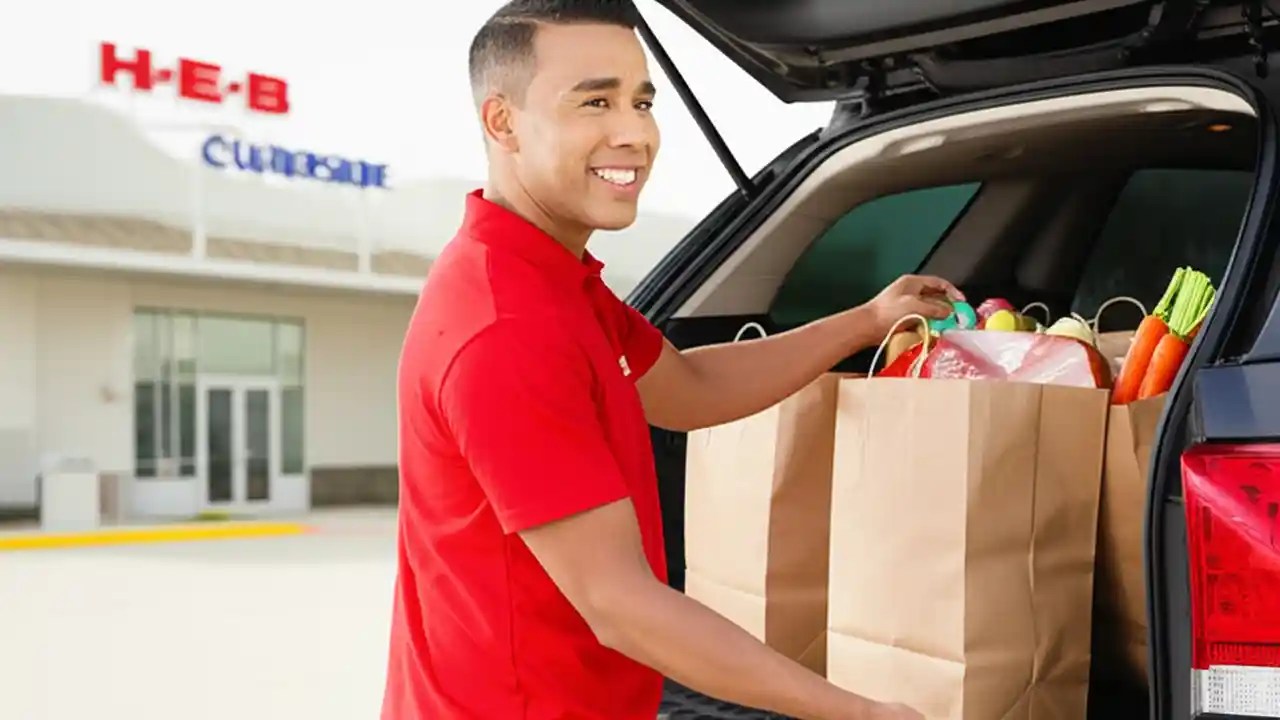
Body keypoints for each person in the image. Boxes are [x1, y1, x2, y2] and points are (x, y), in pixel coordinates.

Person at [380, 2, 961, 719]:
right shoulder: (505, 328)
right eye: (595, 101)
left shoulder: (552, 281)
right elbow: (619, 605)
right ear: (502, 123)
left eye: (641, 101)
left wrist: (866, 322)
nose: (635, 133)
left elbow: (688, 387)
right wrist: (859, 711)